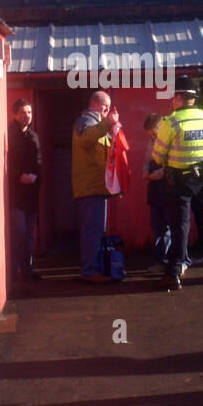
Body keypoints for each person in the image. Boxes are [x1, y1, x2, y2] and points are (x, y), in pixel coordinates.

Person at [151, 77, 203, 290]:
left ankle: (174, 274)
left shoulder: (171, 121)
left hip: (180, 181)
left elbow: (157, 155)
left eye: (173, 96)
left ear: (178, 97)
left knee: (180, 227)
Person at [72, 90, 118, 280]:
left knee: (96, 229)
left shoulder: (98, 126)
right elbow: (88, 139)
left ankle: (93, 268)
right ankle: (90, 271)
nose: (107, 111)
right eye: (105, 107)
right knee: (92, 230)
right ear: (97, 105)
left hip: (98, 187)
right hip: (91, 187)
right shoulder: (85, 122)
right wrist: (108, 124)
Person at [143, 113, 186, 274]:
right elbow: (147, 159)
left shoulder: (171, 140)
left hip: (169, 187)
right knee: (159, 227)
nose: (152, 137)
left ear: (161, 128)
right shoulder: (152, 141)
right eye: (150, 135)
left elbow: (173, 164)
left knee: (174, 226)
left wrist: (156, 174)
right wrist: (145, 171)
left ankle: (180, 261)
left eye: (154, 133)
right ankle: (162, 261)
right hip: (155, 189)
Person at [8, 99, 42, 281]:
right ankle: (14, 270)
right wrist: (18, 176)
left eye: (29, 112)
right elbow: (6, 163)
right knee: (18, 232)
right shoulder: (9, 135)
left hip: (30, 194)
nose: (27, 116)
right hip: (15, 194)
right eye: (23, 112)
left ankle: (27, 269)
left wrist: (35, 176)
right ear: (14, 114)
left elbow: (39, 162)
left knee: (29, 233)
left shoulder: (33, 136)